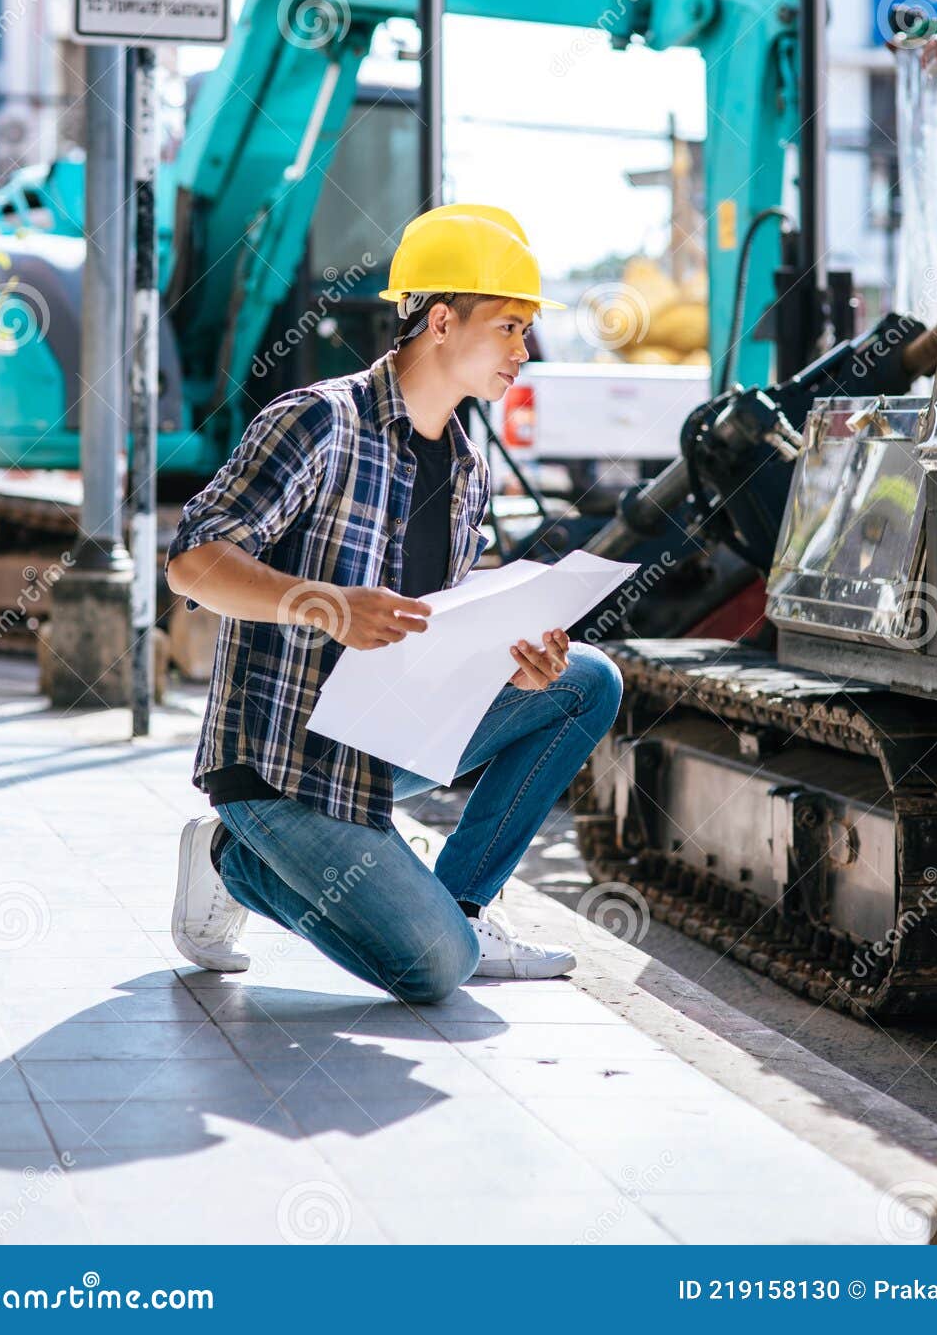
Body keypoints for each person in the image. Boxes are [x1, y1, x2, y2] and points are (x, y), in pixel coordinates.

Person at [165, 204, 623, 1003]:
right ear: (442, 321)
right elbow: (191, 562)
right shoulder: (320, 421)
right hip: (281, 768)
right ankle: (232, 859)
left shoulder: (470, 472)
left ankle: (463, 905)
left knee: (587, 679)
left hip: (378, 746)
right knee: (436, 969)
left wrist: (512, 669)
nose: (524, 350)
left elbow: (434, 640)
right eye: (510, 327)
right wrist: (322, 604)